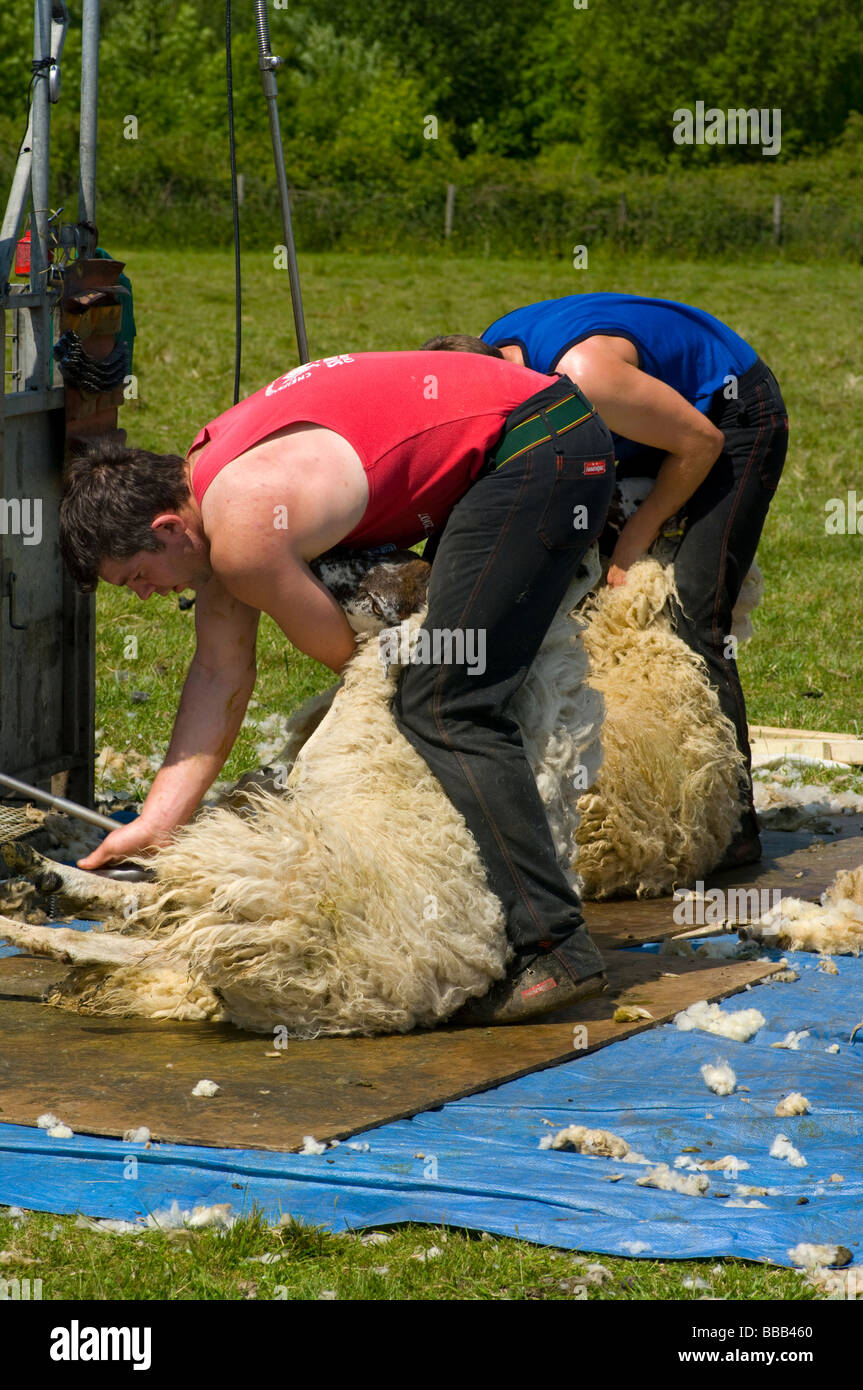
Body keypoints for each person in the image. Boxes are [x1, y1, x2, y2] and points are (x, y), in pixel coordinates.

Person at [59, 350, 616, 1024]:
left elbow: (353, 663)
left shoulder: (239, 533)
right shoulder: (211, 489)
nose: (149, 596)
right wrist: (154, 824)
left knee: (442, 703)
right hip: (526, 435)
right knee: (437, 688)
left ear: (166, 528)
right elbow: (217, 671)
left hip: (538, 447)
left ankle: (555, 944)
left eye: (137, 578)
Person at [427, 292, 788, 863]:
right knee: (579, 599)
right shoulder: (498, 351)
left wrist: (632, 541)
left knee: (692, 608)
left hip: (728, 419)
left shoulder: (584, 377)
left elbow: (700, 442)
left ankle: (733, 822)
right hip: (630, 423)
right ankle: (620, 788)